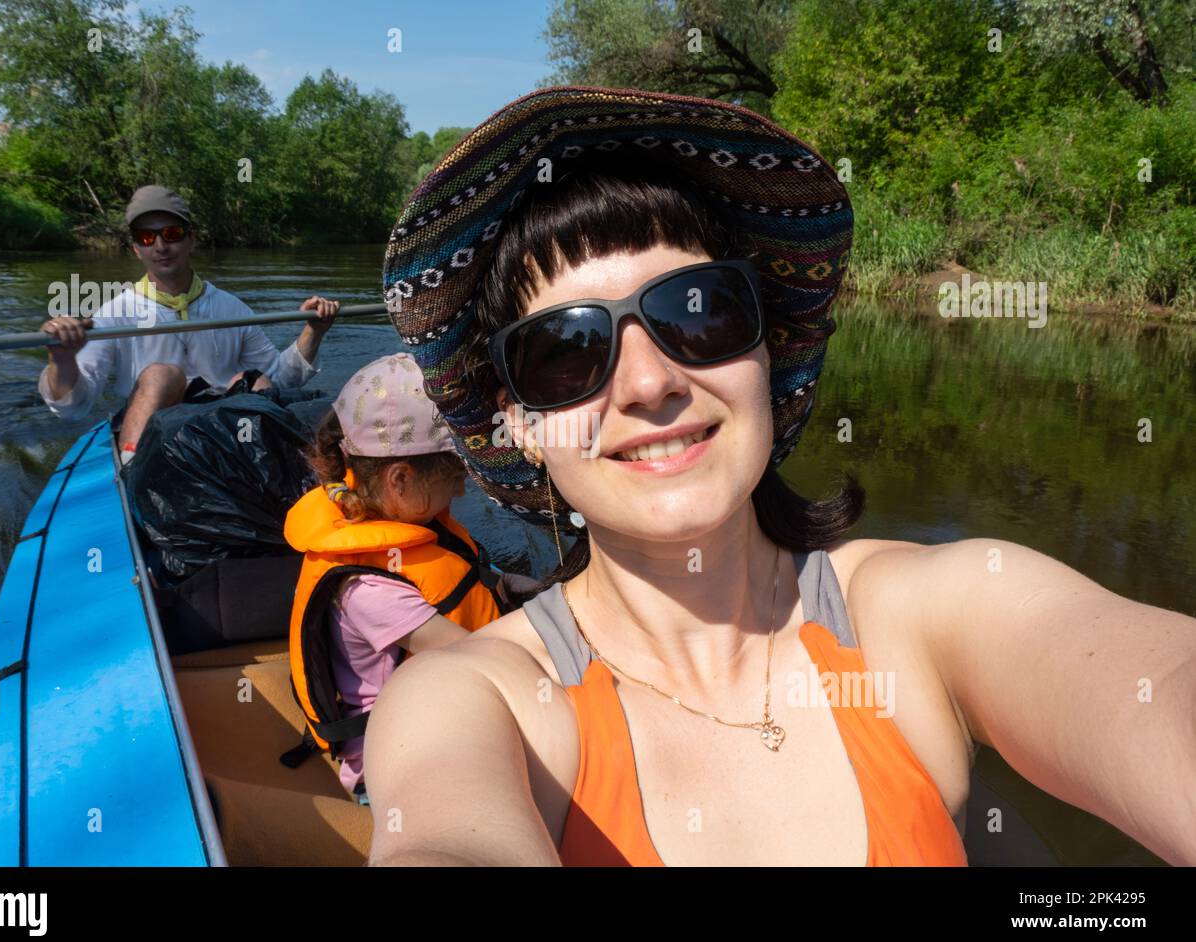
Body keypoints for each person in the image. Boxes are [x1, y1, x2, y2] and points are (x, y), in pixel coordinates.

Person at [362, 87, 1196, 866]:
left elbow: (1157, 689)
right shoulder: (477, 699)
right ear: (522, 428)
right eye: (566, 352)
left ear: (766, 351)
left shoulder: (915, 616)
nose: (651, 383)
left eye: (699, 310)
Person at [284, 353, 518, 806]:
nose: (462, 489)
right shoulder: (369, 591)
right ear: (400, 481)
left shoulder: (365, 515)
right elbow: (483, 656)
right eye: (455, 473)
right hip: (393, 763)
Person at [38, 184, 340, 462]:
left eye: (171, 234)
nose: (160, 246)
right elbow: (72, 407)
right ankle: (132, 470)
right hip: (152, 433)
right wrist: (61, 360)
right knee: (161, 376)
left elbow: (279, 381)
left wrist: (313, 332)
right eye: (147, 237)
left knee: (253, 379)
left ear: (191, 238)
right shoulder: (113, 314)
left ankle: (266, 471)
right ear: (135, 248)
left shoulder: (231, 307)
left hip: (223, 430)